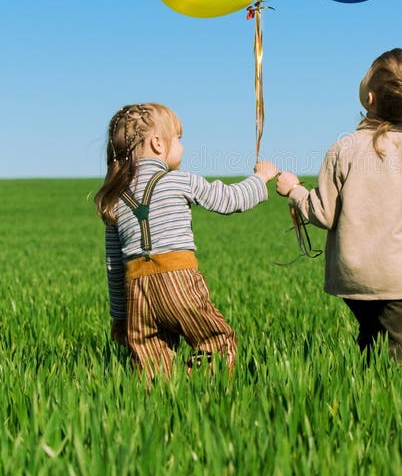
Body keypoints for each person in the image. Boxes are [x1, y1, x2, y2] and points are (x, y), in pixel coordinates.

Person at [276, 48, 402, 364]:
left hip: (354, 278)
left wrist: (294, 191)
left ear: (370, 99)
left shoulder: (344, 148)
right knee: (401, 359)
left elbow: (323, 213)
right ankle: (396, 409)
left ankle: (368, 404)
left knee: (372, 345)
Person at [95, 103, 278, 377]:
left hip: (136, 293)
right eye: (178, 138)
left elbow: (114, 267)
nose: (181, 144)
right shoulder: (179, 181)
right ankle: (204, 390)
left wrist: (120, 317)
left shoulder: (116, 200)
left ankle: (155, 405)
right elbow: (229, 200)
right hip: (178, 281)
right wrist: (260, 178)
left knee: (150, 362)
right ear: (158, 143)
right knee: (216, 340)